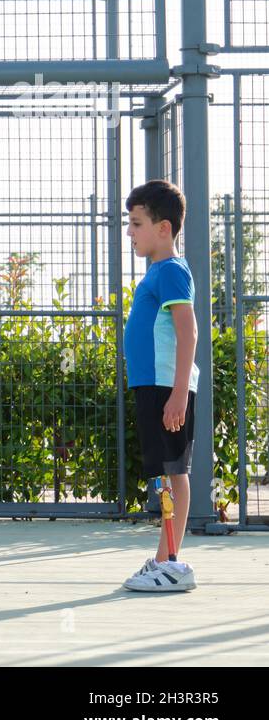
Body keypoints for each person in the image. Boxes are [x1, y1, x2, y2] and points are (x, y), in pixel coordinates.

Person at [121, 179, 199, 592]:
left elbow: (189, 334)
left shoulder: (170, 270)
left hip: (165, 386)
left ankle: (172, 563)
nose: (129, 232)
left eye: (136, 223)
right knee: (166, 472)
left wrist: (177, 393)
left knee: (172, 473)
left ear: (163, 228)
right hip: (155, 386)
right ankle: (164, 557)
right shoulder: (160, 273)